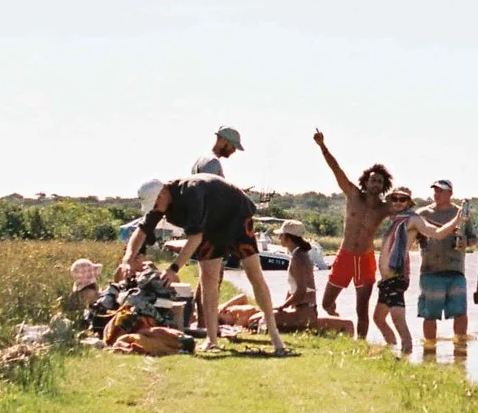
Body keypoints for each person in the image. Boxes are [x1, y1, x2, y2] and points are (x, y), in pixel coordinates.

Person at [121, 176, 287, 356]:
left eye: (155, 205)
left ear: (162, 194)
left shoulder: (192, 193)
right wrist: (128, 258)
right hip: (210, 227)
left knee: (254, 274)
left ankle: (274, 335)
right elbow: (141, 230)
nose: (154, 210)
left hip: (236, 216)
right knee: (208, 279)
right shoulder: (160, 202)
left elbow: (195, 238)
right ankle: (211, 339)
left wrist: (173, 268)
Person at [312, 130, 400, 338]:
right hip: (345, 255)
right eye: (373, 181)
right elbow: (337, 170)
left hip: (366, 259)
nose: (376, 184)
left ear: (383, 186)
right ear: (366, 183)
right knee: (326, 303)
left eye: (380, 182)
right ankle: (337, 322)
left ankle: (360, 344)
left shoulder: (384, 207)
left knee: (362, 309)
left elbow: (408, 210)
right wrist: (323, 146)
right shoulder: (353, 195)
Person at [409, 179, 476, 359]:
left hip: (456, 270)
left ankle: (460, 353)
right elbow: (410, 239)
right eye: (435, 190)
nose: (437, 194)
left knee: (460, 312)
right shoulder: (422, 214)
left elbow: (476, 239)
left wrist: (466, 243)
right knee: (429, 315)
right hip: (430, 270)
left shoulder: (462, 214)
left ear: (450, 193)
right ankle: (430, 354)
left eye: (441, 191)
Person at [372, 187, 416, 351]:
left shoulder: (412, 219)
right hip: (386, 280)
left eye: (402, 199)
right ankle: (391, 347)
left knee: (399, 321)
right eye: (395, 199)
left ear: (408, 203)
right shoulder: (396, 221)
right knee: (378, 318)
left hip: (396, 277)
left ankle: (407, 353)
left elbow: (434, 231)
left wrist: (455, 222)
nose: (398, 202)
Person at [273, 220, 322, 331]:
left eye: (281, 235)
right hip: (303, 310)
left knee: (265, 319)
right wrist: (283, 307)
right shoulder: (298, 255)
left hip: (304, 313)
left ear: (288, 238)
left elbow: (301, 291)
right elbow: (292, 290)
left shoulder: (298, 258)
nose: (279, 237)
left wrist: (282, 307)